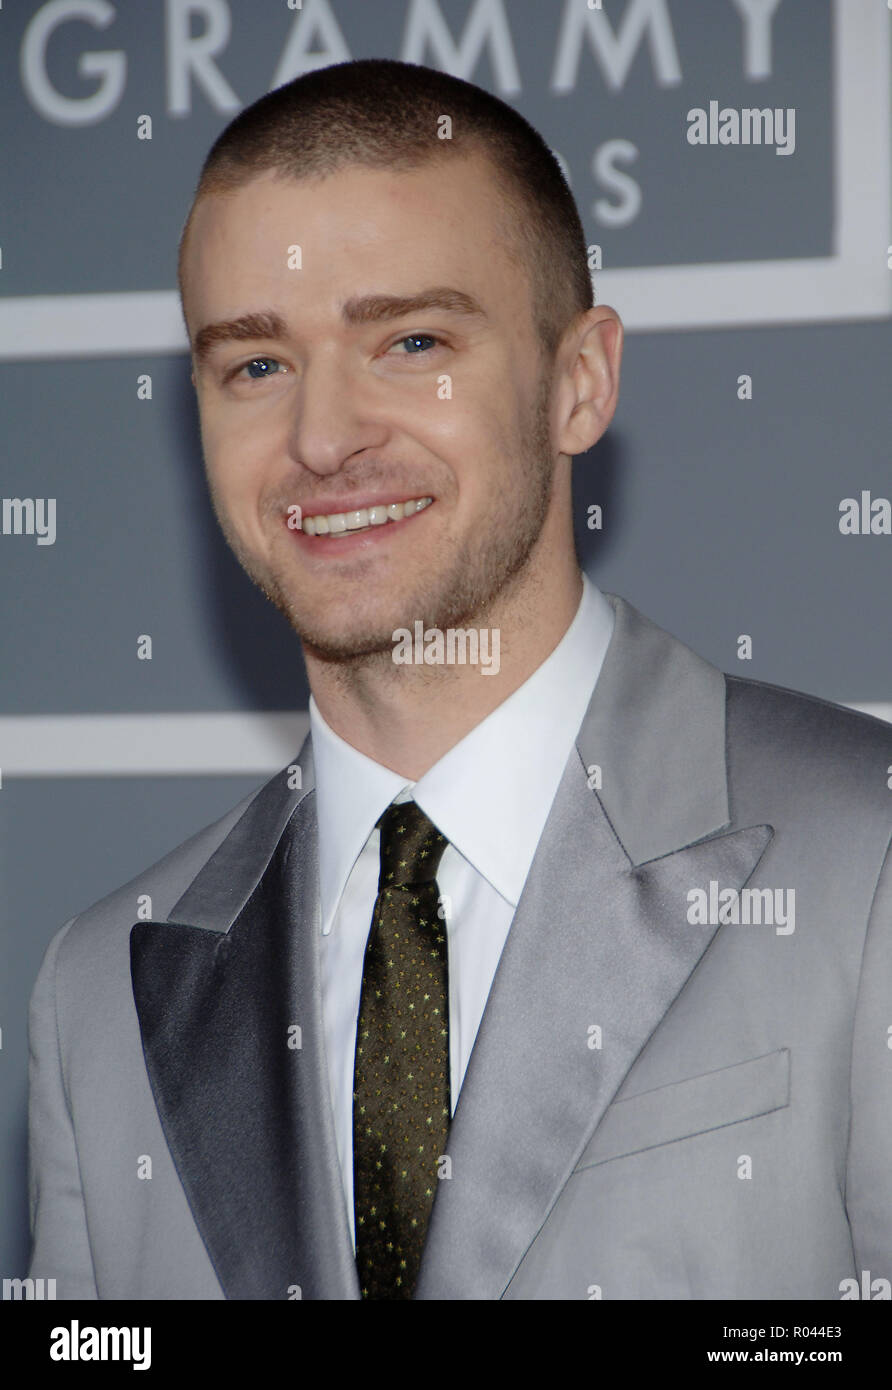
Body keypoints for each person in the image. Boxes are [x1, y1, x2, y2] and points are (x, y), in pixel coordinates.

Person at [28, 58, 892, 1301]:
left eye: (412, 340)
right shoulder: (99, 987)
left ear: (578, 381)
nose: (324, 437)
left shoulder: (860, 865)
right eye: (256, 366)